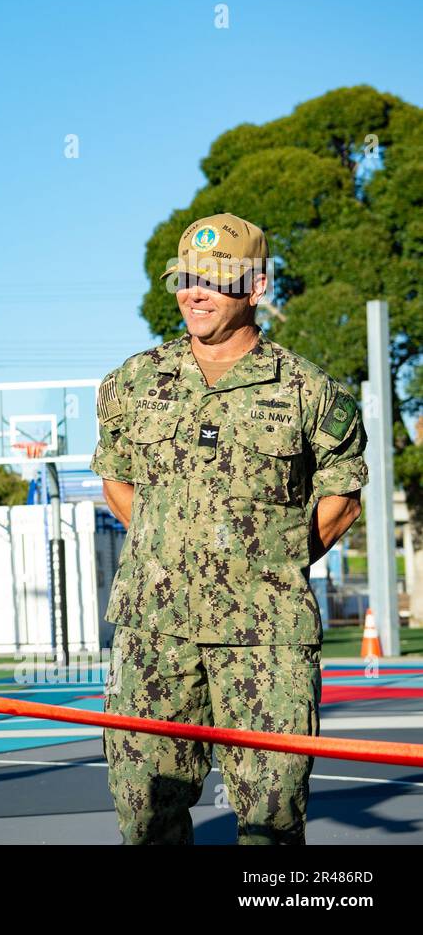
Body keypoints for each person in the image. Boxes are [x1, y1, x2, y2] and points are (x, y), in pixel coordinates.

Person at [91, 212, 367, 844]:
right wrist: (170, 554)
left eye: (215, 279)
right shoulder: (133, 383)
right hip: (153, 631)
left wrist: (265, 568)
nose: (196, 292)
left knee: (270, 823)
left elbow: (341, 501)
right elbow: (119, 482)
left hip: (266, 638)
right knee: (145, 815)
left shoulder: (311, 393)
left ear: (258, 286)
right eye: (186, 277)